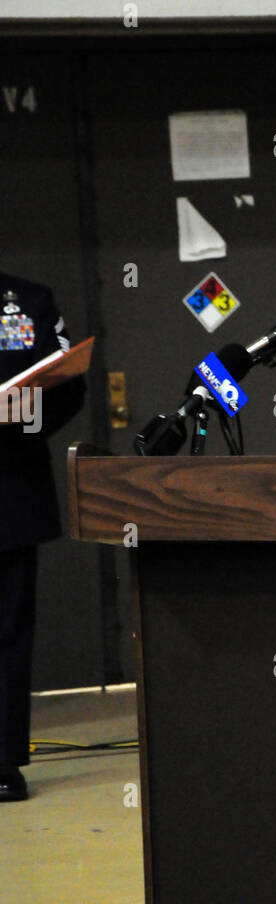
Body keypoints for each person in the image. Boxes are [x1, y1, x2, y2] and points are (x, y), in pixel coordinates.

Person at [0, 272, 86, 801]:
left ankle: (4, 761)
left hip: (8, 490)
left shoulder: (28, 300)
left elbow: (64, 387)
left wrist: (15, 417)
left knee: (8, 633)